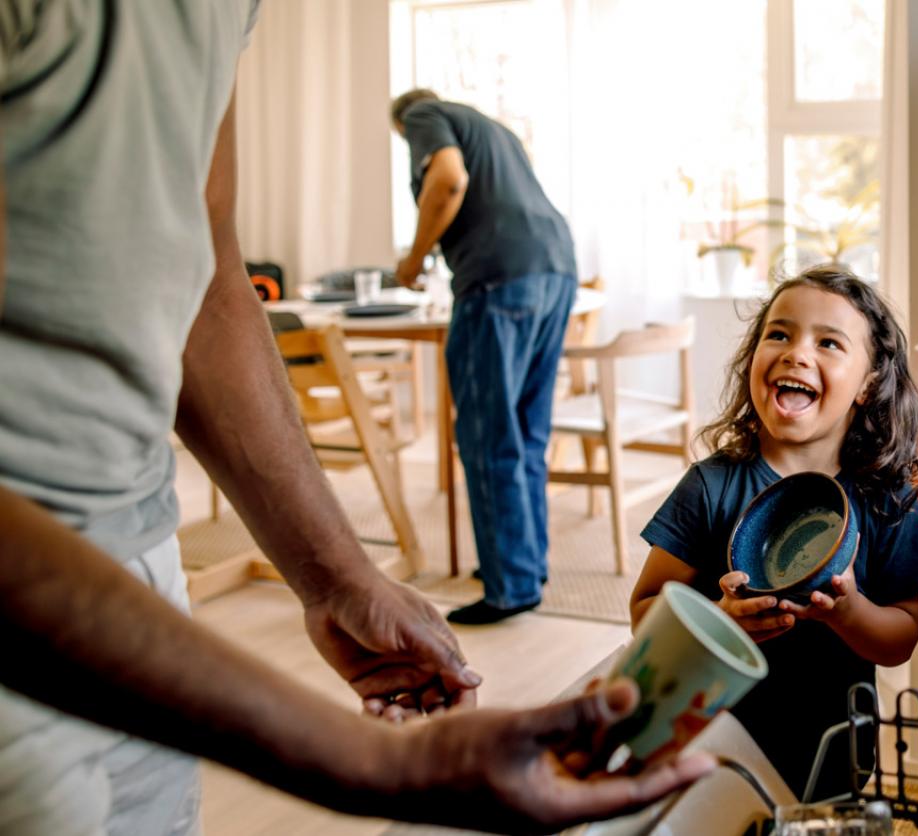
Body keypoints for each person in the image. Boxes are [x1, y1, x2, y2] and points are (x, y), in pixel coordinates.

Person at [0, 4, 709, 833]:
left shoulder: (293, 45)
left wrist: (340, 578)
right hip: (40, 615)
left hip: (141, 561)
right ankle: (521, 579)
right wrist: (379, 762)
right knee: (515, 437)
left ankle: (513, 583)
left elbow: (209, 264)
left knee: (492, 439)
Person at [628, 266, 918, 798]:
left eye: (828, 342)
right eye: (779, 334)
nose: (797, 353)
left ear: (868, 384)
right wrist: (716, 620)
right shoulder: (710, 487)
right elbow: (644, 611)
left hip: (832, 754)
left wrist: (848, 612)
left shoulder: (885, 498)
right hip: (711, 752)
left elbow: (902, 639)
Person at [391, 89, 579, 626]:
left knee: (487, 434)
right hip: (556, 267)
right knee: (526, 432)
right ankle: (525, 565)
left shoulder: (422, 115)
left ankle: (510, 586)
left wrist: (414, 258)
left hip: (498, 278)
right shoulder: (493, 129)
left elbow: (448, 180)